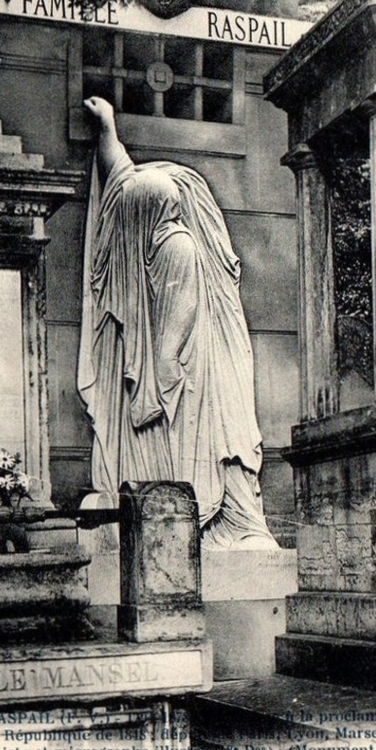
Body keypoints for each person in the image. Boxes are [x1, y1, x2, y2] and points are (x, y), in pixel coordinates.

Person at [77, 97, 278, 550]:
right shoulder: (154, 228)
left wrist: (158, 377)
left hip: (188, 382)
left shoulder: (175, 246)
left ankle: (208, 526)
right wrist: (107, 128)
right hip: (180, 377)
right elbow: (122, 178)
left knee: (190, 458)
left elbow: (177, 322)